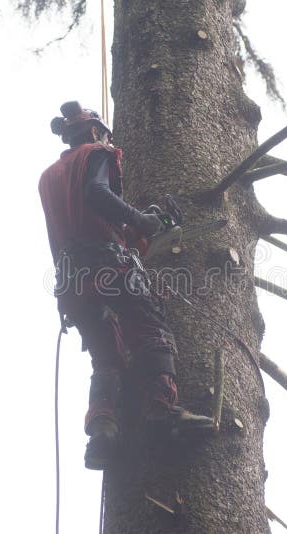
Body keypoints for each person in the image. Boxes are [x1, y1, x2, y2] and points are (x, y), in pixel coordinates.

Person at [38, 101, 213, 470]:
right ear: (95, 132)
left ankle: (102, 432)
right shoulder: (97, 153)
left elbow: (87, 226)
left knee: (106, 356)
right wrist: (140, 220)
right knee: (151, 330)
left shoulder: (50, 176)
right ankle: (162, 413)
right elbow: (97, 196)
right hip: (107, 266)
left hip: (72, 282)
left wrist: (139, 229)